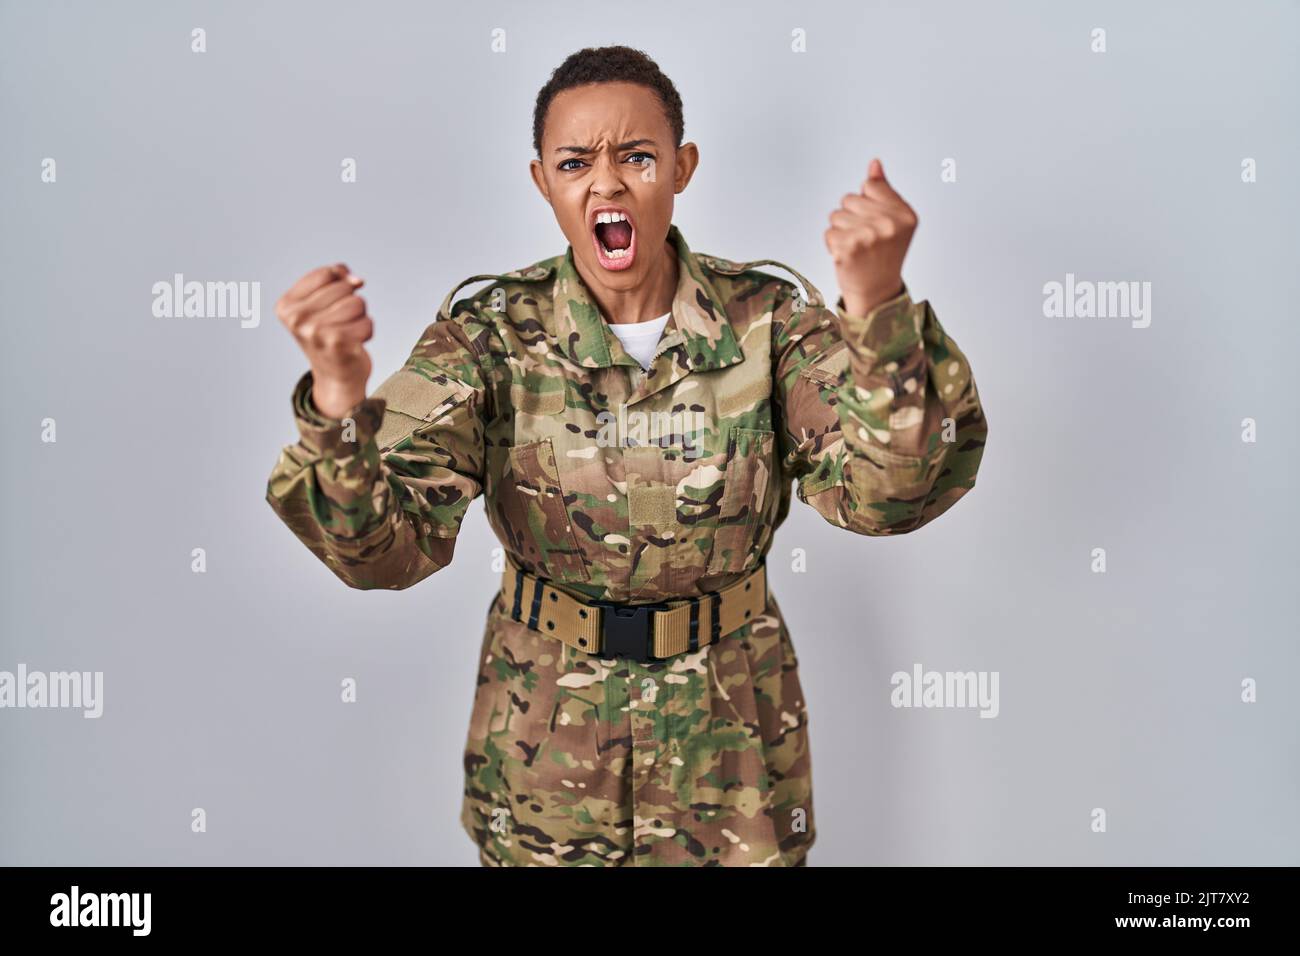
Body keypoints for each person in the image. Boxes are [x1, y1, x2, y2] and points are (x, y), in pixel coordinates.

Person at [264, 45, 988, 867]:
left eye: (636, 157)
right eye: (575, 162)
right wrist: (335, 400)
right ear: (543, 181)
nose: (605, 183)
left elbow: (892, 496)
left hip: (733, 743)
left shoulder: (770, 321)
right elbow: (381, 555)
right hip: (547, 750)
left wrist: (879, 305)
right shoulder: (489, 338)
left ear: (680, 169)